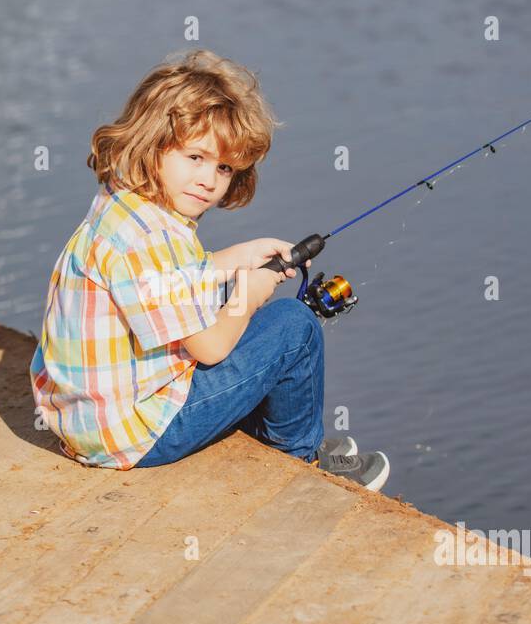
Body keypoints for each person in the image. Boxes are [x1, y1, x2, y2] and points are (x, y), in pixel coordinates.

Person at [28, 48, 389, 492]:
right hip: (132, 435)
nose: (209, 180)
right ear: (152, 141)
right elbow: (211, 348)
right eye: (195, 158)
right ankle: (300, 459)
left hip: (78, 418)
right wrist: (247, 294)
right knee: (293, 326)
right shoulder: (152, 240)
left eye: (223, 168)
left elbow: (170, 281)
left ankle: (269, 429)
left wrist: (237, 256)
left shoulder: (126, 205)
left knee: (223, 300)